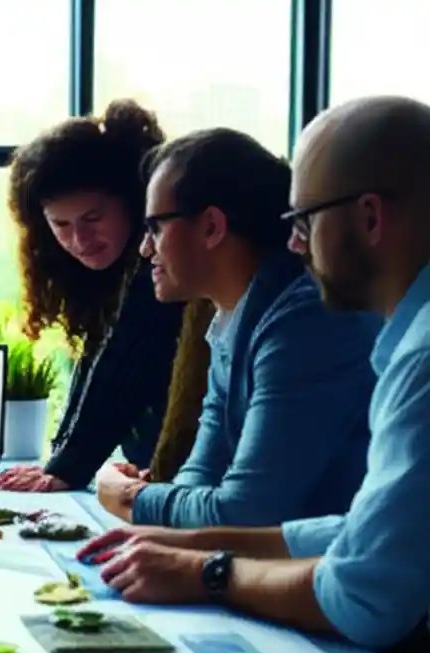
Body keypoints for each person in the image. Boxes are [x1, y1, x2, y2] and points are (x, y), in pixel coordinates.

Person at [76, 95, 430, 653]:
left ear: (369, 218)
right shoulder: (245, 321)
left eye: (305, 220)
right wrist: (175, 535)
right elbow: (363, 530)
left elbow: (365, 596)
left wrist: (205, 568)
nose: (294, 245)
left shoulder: (404, 351)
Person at [93, 127, 378, 528]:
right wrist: (161, 507)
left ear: (211, 226)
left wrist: (126, 495)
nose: (145, 248)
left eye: (155, 227)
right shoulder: (233, 319)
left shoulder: (304, 324)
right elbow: (201, 476)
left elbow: (244, 512)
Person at [0, 99, 213, 493]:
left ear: (133, 201)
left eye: (93, 218)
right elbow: (98, 355)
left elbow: (125, 360)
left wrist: (66, 466)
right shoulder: (99, 277)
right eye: (61, 224)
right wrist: (59, 459)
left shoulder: (163, 260)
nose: (80, 240)